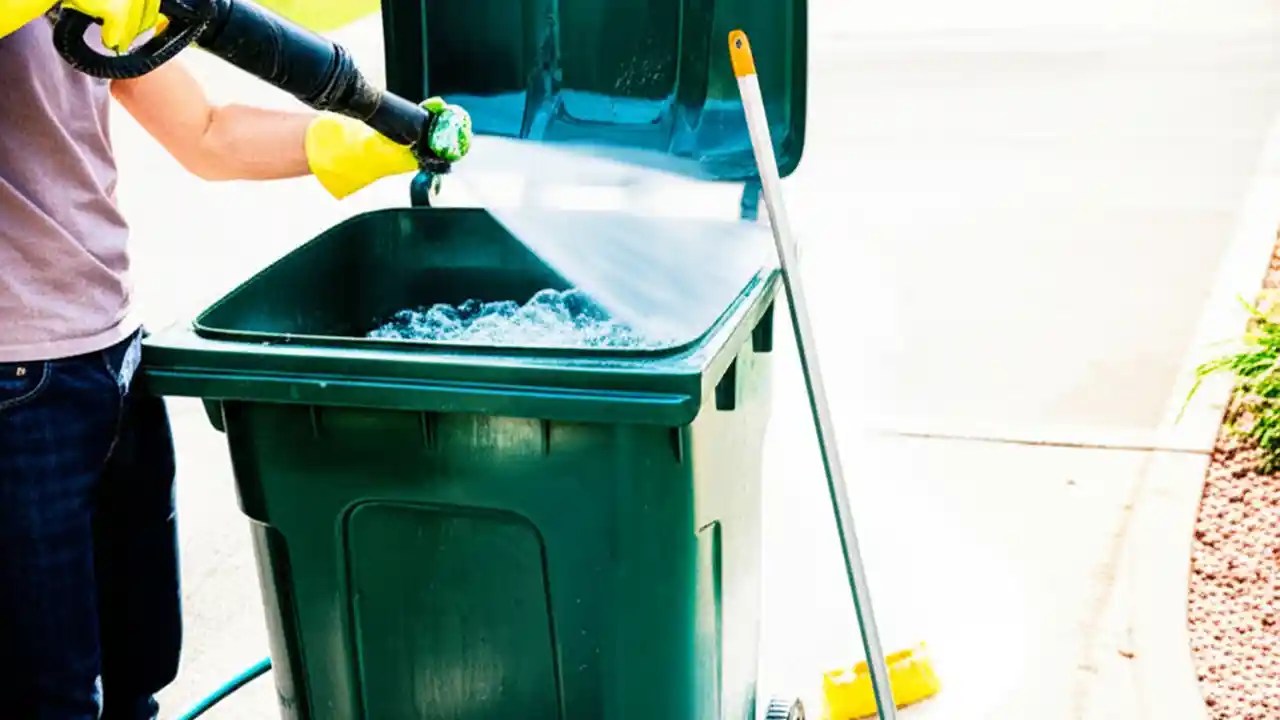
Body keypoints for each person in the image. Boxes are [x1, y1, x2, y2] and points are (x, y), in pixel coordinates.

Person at [0, 2, 472, 718]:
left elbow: (206, 131)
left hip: (111, 354)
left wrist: (362, 137)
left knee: (139, 670)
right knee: (47, 696)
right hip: (15, 383)